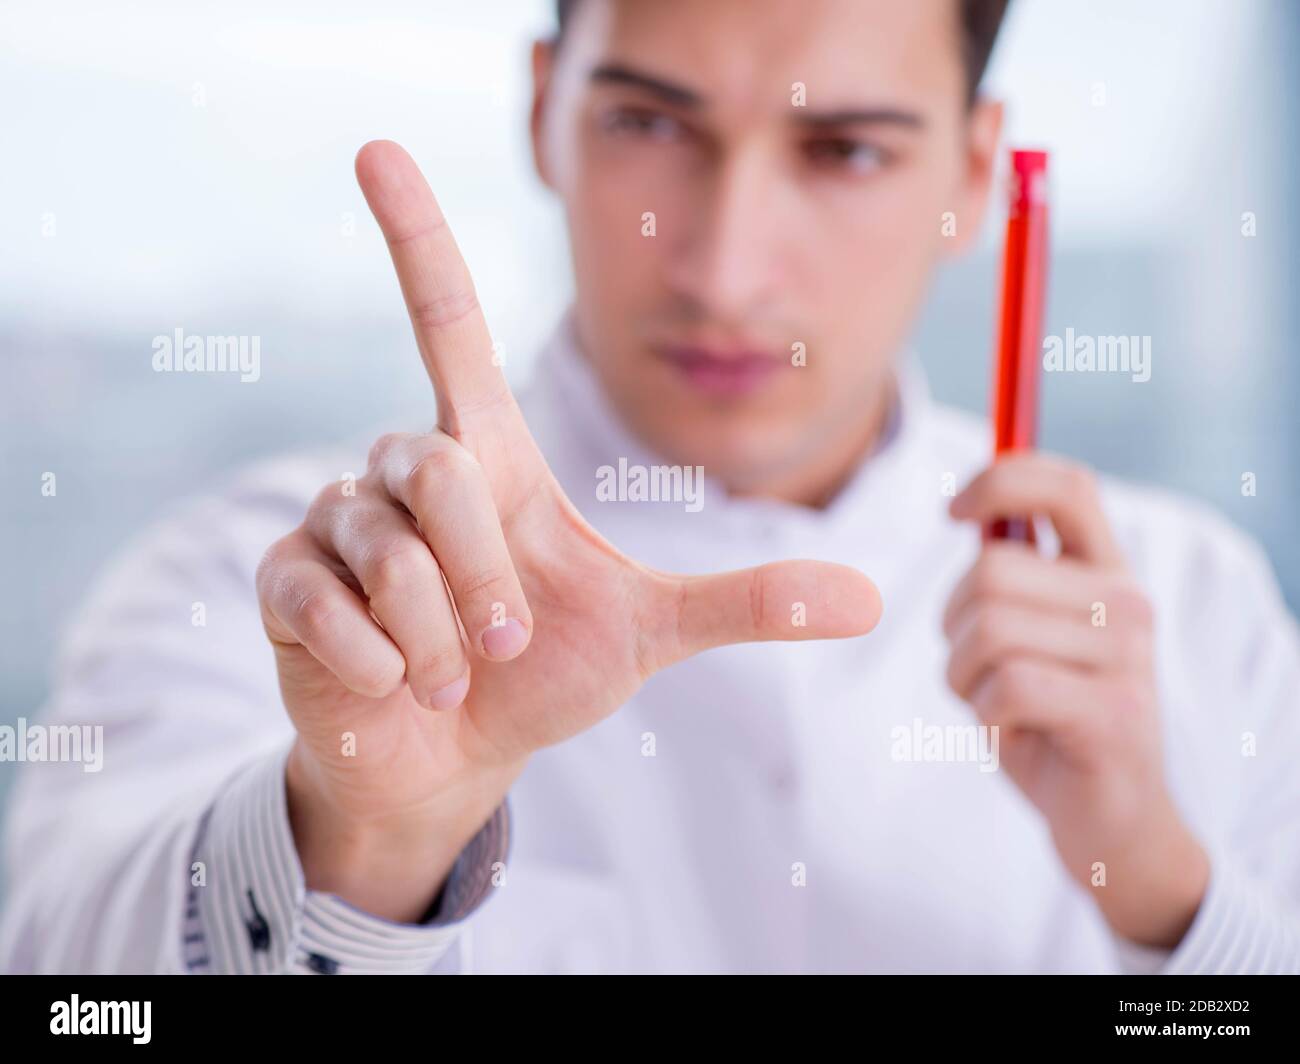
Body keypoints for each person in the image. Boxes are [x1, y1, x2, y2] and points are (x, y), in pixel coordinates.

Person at [3, 0, 1298, 975]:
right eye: (649, 122)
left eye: (844, 151)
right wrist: (352, 839)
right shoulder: (274, 583)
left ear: (973, 173)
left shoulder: (1190, 609)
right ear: (540, 111)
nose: (727, 271)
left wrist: (1165, 895)